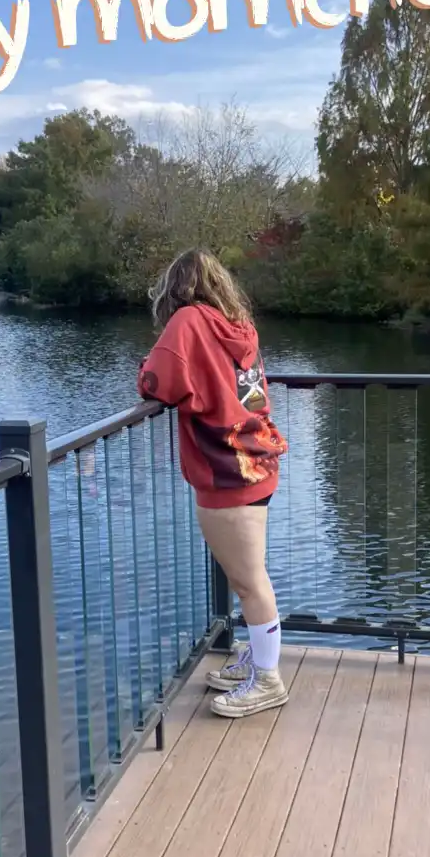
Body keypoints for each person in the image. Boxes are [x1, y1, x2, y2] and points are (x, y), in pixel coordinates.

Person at [136, 249, 289, 718]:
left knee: (248, 580)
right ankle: (259, 659)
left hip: (225, 474)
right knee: (250, 574)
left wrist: (146, 373)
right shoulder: (240, 328)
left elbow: (157, 381)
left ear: (177, 287)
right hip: (256, 464)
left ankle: (267, 680)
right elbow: (251, 397)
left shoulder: (188, 321)